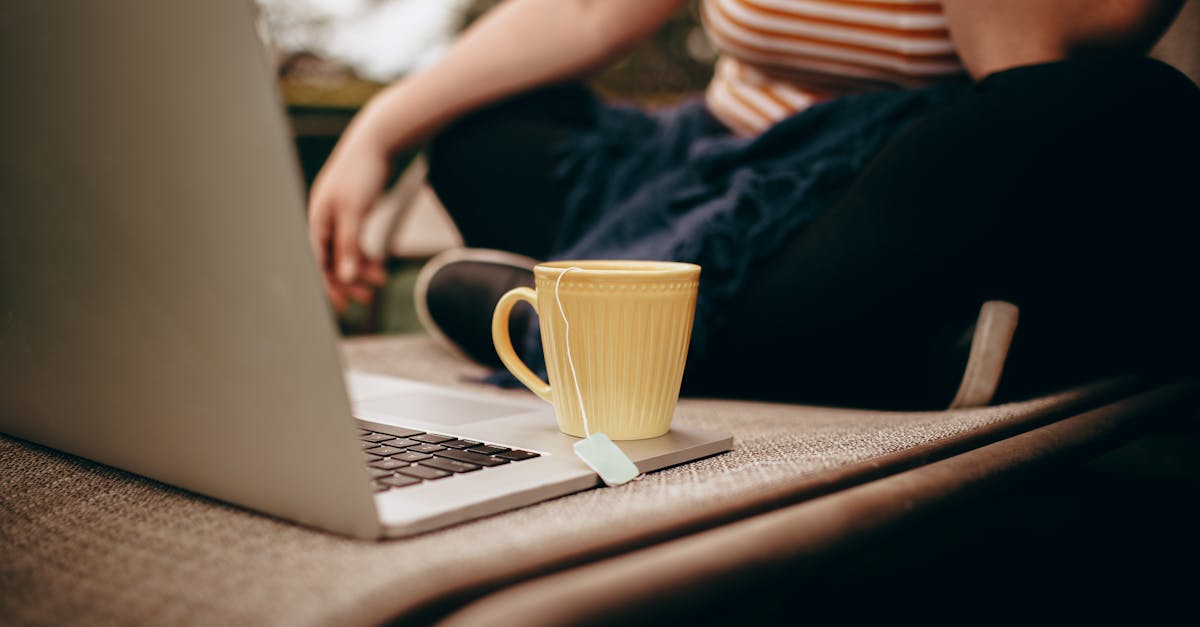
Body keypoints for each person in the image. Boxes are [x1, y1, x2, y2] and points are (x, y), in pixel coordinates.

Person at [307, 0, 1200, 409]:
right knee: (485, 133)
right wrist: (377, 131)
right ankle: (866, 352)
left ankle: (595, 328)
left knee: (1132, 110)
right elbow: (586, 12)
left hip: (889, 181)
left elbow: (1020, 66)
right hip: (722, 168)